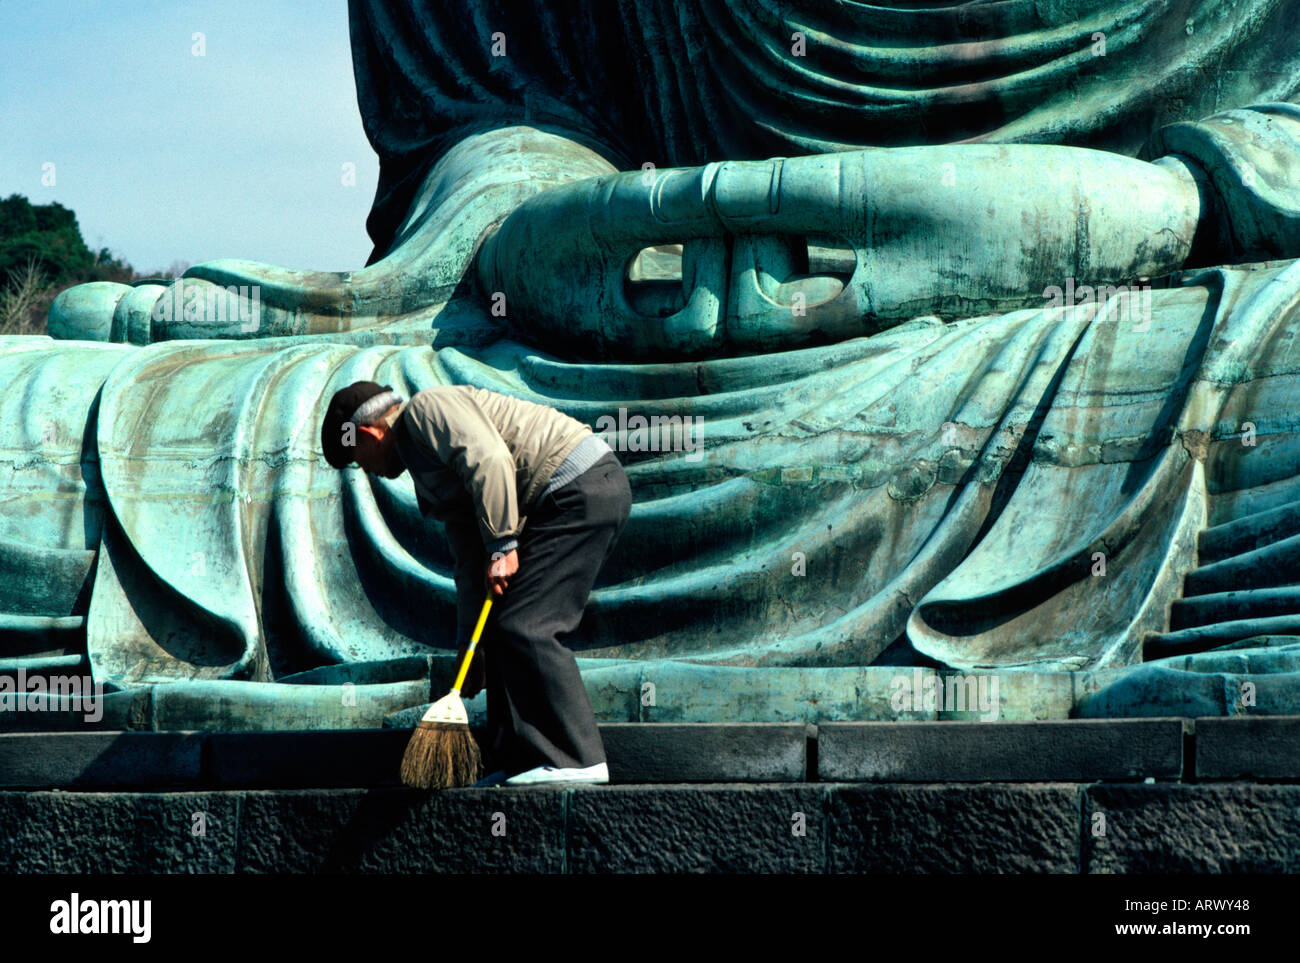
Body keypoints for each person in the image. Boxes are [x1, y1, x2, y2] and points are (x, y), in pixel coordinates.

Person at [320, 380, 631, 786]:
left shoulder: (425, 411)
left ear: (369, 433)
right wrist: (472, 646)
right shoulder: (426, 470)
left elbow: (490, 460)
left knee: (526, 624)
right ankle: (519, 759)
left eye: (359, 460)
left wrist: (502, 545)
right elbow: (468, 561)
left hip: (579, 485)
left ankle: (575, 758)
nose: (367, 471)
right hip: (561, 499)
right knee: (500, 630)